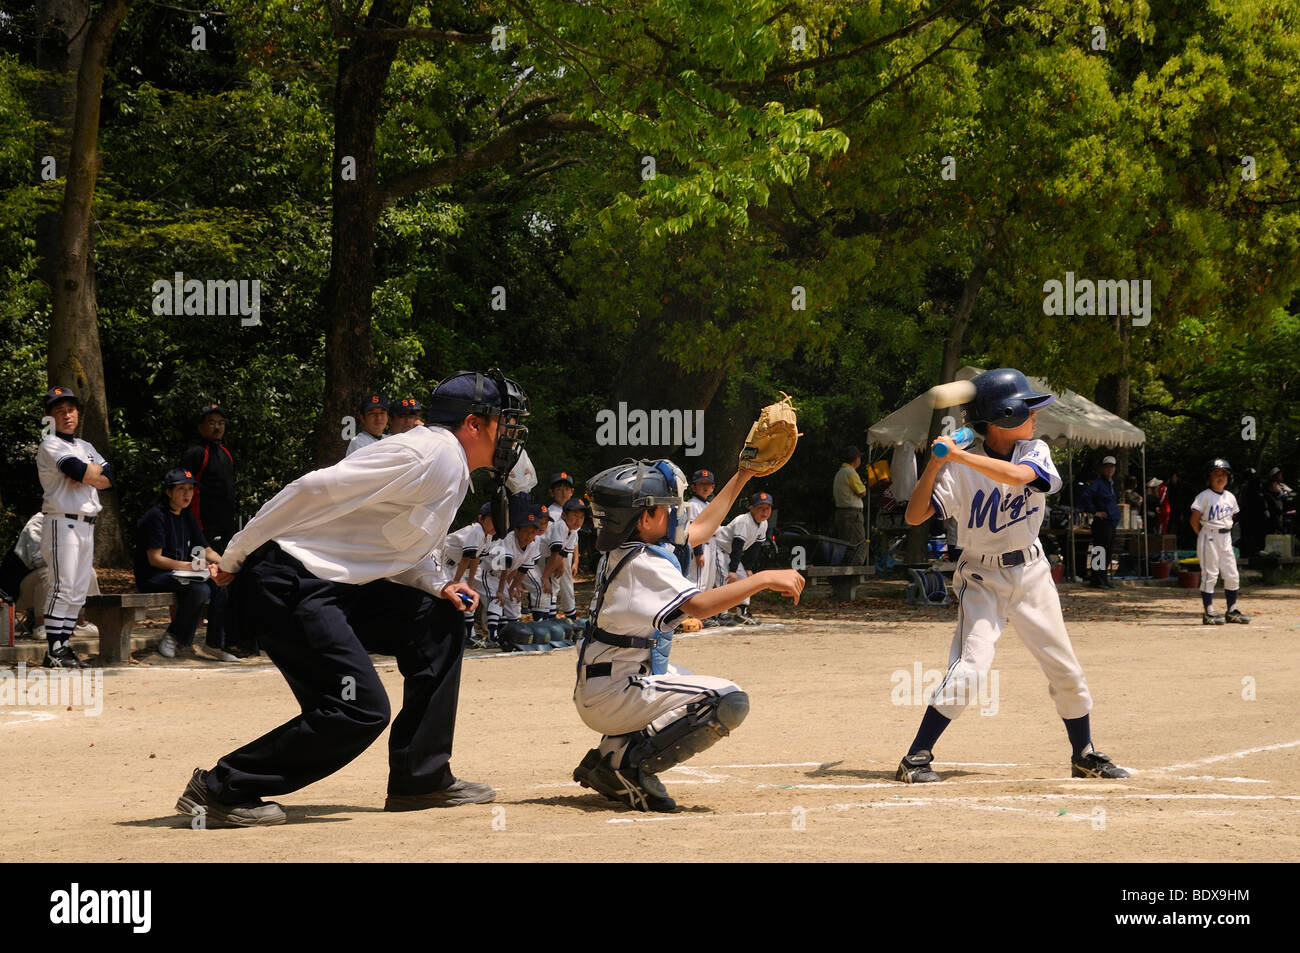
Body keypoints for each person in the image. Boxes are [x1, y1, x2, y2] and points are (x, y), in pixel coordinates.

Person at [175, 369, 529, 827]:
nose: (512, 434)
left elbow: (396, 543)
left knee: (438, 622)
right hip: (290, 582)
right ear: (473, 425)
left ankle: (420, 778)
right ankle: (222, 787)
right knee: (360, 709)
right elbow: (310, 489)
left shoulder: (452, 468)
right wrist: (237, 555)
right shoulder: (427, 453)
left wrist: (436, 583)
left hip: (337, 589)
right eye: (505, 422)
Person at [895, 368, 1128, 785]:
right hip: (982, 577)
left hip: (1033, 573)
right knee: (971, 667)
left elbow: (1020, 479)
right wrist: (935, 463)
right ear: (1003, 416)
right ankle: (915, 757)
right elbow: (915, 516)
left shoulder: (1032, 451)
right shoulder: (954, 469)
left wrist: (958, 454)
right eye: (1027, 410)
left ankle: (1084, 753)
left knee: (1065, 667)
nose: (1035, 416)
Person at [572, 459, 804, 812]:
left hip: (607, 685)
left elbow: (703, 528)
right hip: (615, 693)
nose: (676, 512)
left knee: (687, 682)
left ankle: (609, 755)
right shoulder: (643, 563)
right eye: (667, 507)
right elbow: (699, 606)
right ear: (644, 519)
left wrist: (744, 473)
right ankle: (625, 768)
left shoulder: (628, 547)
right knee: (725, 699)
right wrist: (763, 578)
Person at [36, 386, 114, 669]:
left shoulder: (85, 446)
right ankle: (54, 648)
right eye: (59, 410)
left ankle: (64, 646)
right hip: (62, 521)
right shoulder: (50, 444)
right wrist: (90, 474)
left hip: (86, 524)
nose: (67, 415)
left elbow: (109, 478)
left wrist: (89, 476)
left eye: (70, 409)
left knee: (79, 589)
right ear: (50, 417)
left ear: (77, 413)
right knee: (63, 585)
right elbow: (78, 471)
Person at [134, 469, 237, 662]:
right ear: (168, 492)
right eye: (181, 489)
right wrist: (190, 566)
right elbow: (155, 559)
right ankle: (173, 637)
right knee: (200, 590)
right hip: (154, 576)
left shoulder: (186, 516)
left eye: (190, 489)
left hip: (180, 574)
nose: (187, 494)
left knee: (220, 584)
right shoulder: (156, 517)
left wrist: (228, 565)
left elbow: (207, 550)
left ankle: (214, 644)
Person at [0, 513, 101, 643]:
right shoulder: (39, 521)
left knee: (88, 571)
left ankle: (82, 622)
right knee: (50, 573)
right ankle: (41, 624)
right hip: (18, 591)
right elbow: (36, 559)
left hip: (61, 583)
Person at [480, 496, 544, 648]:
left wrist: (513, 587)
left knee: (513, 599)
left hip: (502, 576)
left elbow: (522, 570)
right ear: (516, 530)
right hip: (485, 571)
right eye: (526, 531)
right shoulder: (507, 539)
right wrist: (503, 590)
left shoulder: (532, 544)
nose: (529, 535)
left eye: (533, 531)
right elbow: (505, 567)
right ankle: (493, 636)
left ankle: (511, 633)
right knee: (497, 597)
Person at [1190, 459, 1249, 625]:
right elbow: (1194, 520)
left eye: (1223, 474)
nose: (1220, 477)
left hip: (1226, 537)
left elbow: (1233, 517)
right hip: (1209, 535)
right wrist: (1203, 535)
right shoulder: (1204, 496)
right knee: (1210, 574)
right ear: (1208, 477)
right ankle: (1209, 612)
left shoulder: (1230, 497)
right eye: (1216, 474)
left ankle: (1232, 610)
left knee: (1232, 574)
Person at [180, 403, 237, 554]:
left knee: (222, 566)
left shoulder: (225, 453)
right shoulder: (197, 452)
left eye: (221, 423)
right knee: (201, 568)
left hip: (226, 523)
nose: (217, 427)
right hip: (203, 524)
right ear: (200, 427)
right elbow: (182, 487)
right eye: (211, 423)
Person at [711, 491, 774, 625]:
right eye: (760, 508)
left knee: (745, 579)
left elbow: (755, 548)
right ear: (751, 508)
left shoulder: (764, 524)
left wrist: (748, 567)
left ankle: (742, 612)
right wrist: (732, 570)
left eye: (767, 508)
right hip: (719, 547)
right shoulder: (744, 521)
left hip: (731, 552)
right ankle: (723, 614)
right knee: (725, 578)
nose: (764, 512)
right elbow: (738, 546)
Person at [442, 502, 495, 648]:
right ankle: (463, 635)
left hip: (452, 566)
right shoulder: (476, 530)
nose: (495, 524)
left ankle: (470, 635)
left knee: (468, 596)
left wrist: (470, 584)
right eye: (492, 519)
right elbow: (466, 558)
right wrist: (457, 582)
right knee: (455, 595)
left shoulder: (487, 535)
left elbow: (476, 559)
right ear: (481, 518)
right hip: (439, 562)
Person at [540, 497, 586, 620]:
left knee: (552, 589)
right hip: (537, 559)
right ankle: (545, 623)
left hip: (550, 560)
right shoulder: (560, 525)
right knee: (545, 589)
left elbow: (563, 554)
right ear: (564, 515)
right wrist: (545, 577)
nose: (578, 520)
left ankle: (552, 621)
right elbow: (555, 553)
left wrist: (563, 564)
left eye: (581, 517)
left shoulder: (573, 531)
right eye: (575, 515)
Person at [1080, 455, 1119, 588]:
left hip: (1111, 522)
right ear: (1103, 468)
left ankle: (1103, 578)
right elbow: (1086, 496)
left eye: (1112, 466)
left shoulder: (1111, 484)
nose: (1109, 469)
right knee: (1100, 551)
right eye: (1107, 466)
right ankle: (1096, 580)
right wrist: (1095, 512)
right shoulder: (1098, 484)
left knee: (1107, 551)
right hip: (1102, 522)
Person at [545, 472, 579, 615]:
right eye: (559, 489)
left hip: (567, 555)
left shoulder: (575, 511)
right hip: (554, 556)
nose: (563, 493)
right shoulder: (551, 513)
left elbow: (574, 537)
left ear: (571, 492)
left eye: (566, 489)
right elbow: (552, 542)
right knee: (554, 587)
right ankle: (551, 621)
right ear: (551, 492)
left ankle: (571, 620)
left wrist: (576, 560)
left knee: (567, 588)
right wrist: (559, 562)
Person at [832, 446, 867, 545]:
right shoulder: (850, 472)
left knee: (846, 546)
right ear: (855, 459)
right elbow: (862, 492)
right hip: (852, 515)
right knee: (857, 547)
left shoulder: (840, 473)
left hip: (842, 513)